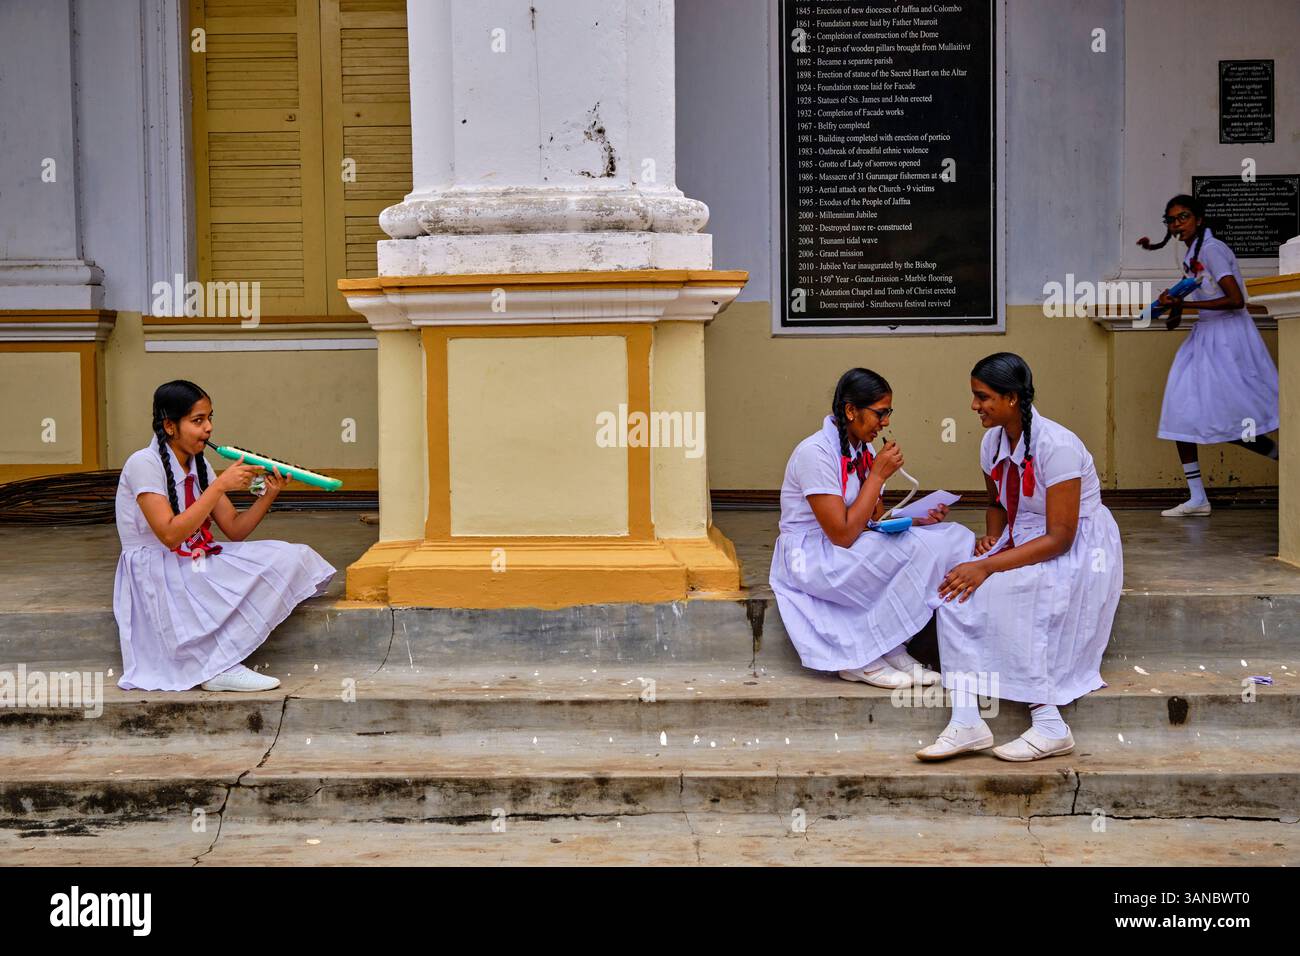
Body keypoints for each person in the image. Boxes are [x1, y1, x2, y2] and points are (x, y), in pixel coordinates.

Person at [918, 353, 1123, 762]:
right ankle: (966, 722)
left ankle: (1050, 725)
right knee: (953, 593)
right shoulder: (991, 441)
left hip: (1077, 545)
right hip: (1024, 535)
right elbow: (997, 499)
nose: (974, 406)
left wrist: (989, 565)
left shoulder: (1058, 446)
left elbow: (1061, 538)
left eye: (983, 397)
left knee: (1015, 594)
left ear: (1012, 398)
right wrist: (992, 539)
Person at [114, 380, 335, 692]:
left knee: (292, 556)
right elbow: (168, 535)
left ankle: (220, 661)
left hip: (196, 556)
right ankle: (218, 666)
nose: (208, 429)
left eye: (210, 418)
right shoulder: (143, 464)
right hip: (157, 569)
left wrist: (267, 495)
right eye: (197, 421)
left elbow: (234, 528)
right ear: (169, 426)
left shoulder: (198, 461)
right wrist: (220, 485)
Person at [769, 368, 976, 688]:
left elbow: (872, 520)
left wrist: (915, 518)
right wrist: (878, 476)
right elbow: (842, 534)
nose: (886, 422)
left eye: (888, 413)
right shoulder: (815, 453)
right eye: (880, 413)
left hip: (849, 541)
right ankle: (858, 657)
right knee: (917, 548)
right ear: (851, 411)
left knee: (951, 536)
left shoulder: (862, 450)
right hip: (814, 556)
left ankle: (888, 643)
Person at [1140, 194, 1280, 516]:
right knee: (1181, 414)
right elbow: (1187, 306)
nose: (1177, 224)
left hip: (1229, 341)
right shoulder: (1192, 255)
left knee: (1237, 420)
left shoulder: (1213, 250)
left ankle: (1286, 461)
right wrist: (1170, 308)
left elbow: (1235, 300)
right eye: (1172, 219)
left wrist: (1184, 305)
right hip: (1204, 339)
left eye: (1183, 217)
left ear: (1199, 219)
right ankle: (1197, 496)